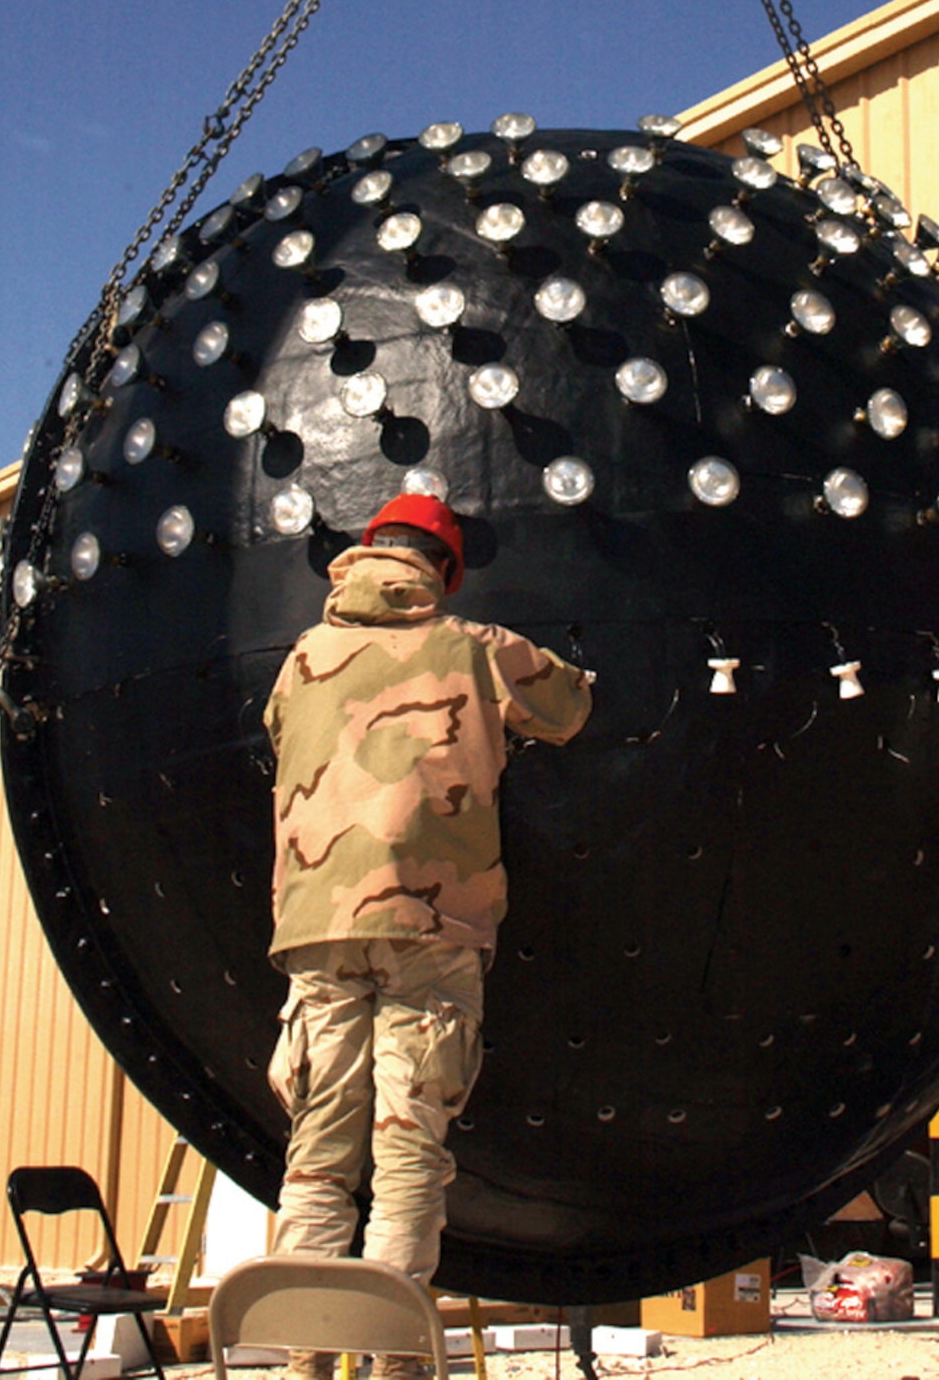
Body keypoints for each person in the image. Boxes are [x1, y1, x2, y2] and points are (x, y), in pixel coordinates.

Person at [263, 493, 592, 1378]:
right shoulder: (476, 648)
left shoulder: (303, 656)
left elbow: (278, 732)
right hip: (432, 924)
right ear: (443, 571)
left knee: (318, 1152)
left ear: (369, 556)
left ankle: (306, 1359)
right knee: (408, 1148)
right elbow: (570, 709)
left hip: (317, 925)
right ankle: (396, 1361)